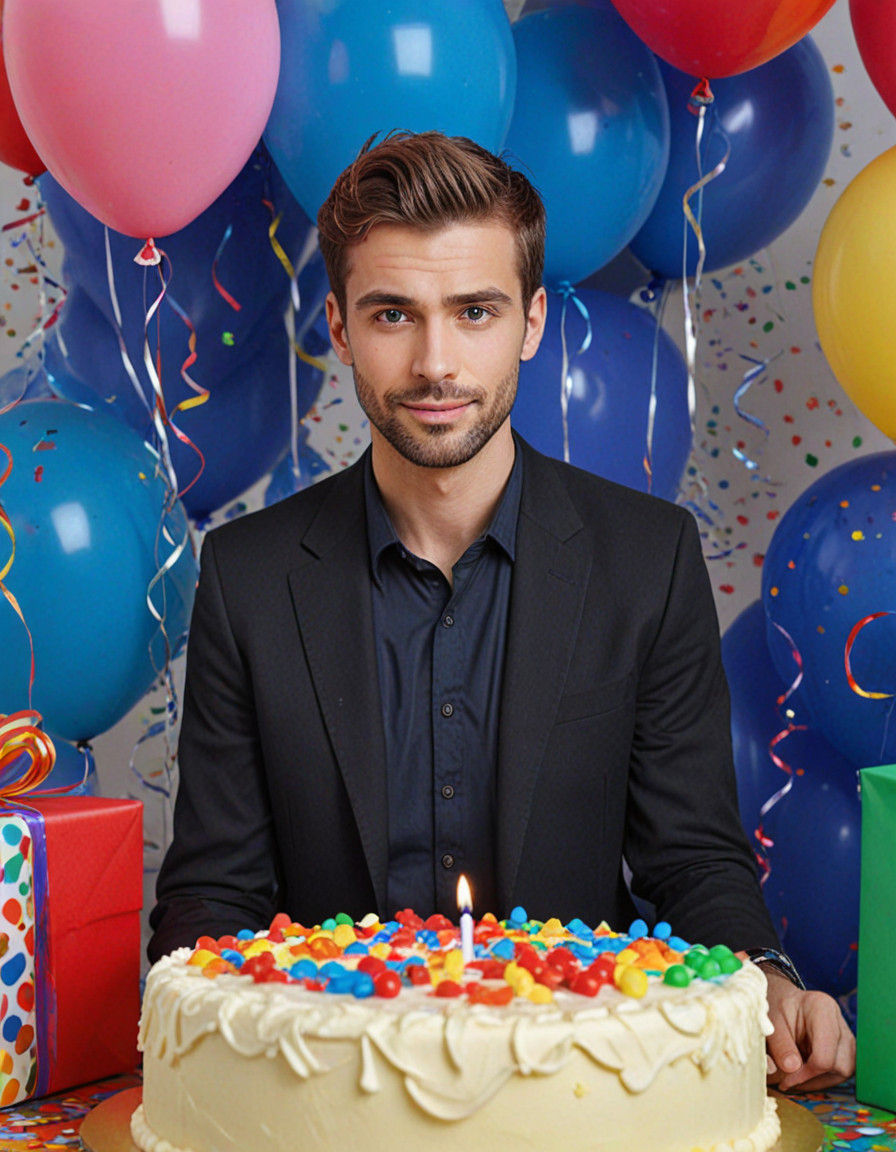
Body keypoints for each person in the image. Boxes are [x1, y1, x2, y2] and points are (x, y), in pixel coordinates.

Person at [148, 131, 855, 1092]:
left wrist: (764, 978)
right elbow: (211, 895)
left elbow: (691, 857)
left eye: (473, 311)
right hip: (321, 1098)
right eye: (394, 314)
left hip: (578, 1091)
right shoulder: (247, 576)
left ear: (528, 322)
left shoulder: (648, 560)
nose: (436, 363)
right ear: (342, 329)